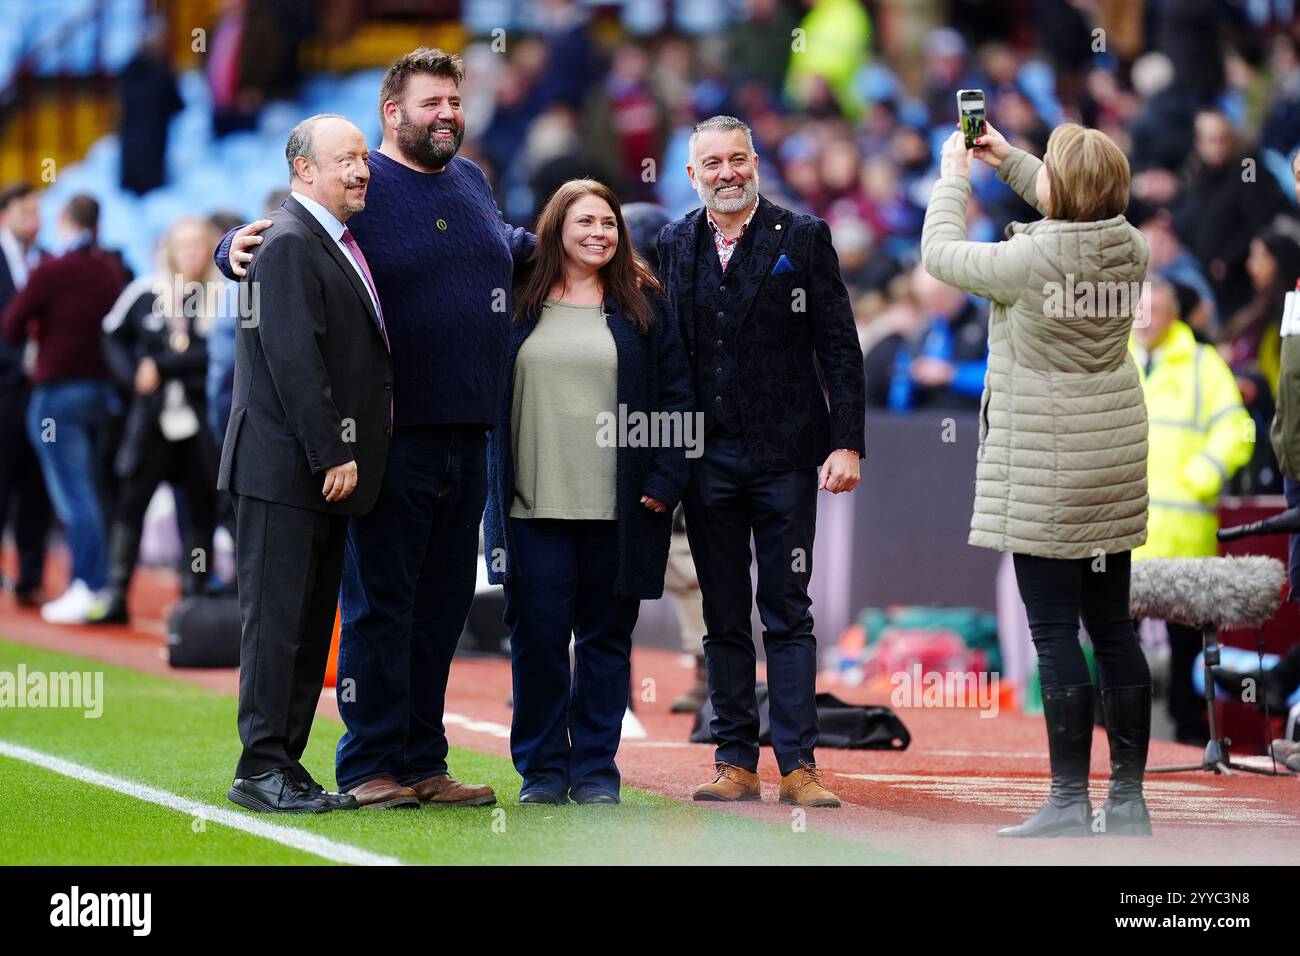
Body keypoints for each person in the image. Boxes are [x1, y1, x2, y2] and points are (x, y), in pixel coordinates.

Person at [216, 49, 532, 809]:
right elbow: (285, 243)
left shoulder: (472, 181)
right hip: (391, 437)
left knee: (443, 608)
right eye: (432, 102)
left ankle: (425, 758)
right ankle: (369, 764)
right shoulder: (357, 185)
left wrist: (601, 243)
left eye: (454, 100)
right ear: (393, 112)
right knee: (380, 605)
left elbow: (513, 251)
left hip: (469, 430)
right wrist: (232, 249)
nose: (448, 113)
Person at [921, 120, 1154, 837]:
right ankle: (1126, 802)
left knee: (1054, 633)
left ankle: (1064, 800)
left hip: (1047, 462)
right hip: (1110, 456)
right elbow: (1075, 205)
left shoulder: (1027, 263)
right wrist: (1011, 158)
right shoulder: (1132, 246)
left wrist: (956, 172)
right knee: (1113, 630)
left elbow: (938, 254)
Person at [657, 115, 866, 808]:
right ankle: (735, 762)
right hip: (705, 458)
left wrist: (847, 441)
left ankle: (799, 765)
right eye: (711, 163)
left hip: (785, 457)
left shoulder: (802, 237)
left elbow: (839, 343)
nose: (726, 172)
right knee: (722, 614)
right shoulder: (674, 241)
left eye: (737, 159)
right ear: (692, 175)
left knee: (786, 608)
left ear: (756, 162)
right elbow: (664, 356)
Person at [484, 179, 692, 804]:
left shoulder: (644, 304)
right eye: (585, 223)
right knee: (540, 641)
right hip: (532, 508)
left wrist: (664, 480)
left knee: (605, 643)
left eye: (609, 223)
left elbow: (680, 399)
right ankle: (543, 772)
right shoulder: (518, 301)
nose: (599, 233)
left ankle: (596, 771)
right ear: (555, 229)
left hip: (620, 511)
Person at [221, 115, 391, 813]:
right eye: (345, 159)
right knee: (278, 624)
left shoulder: (323, 238)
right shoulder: (290, 242)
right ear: (304, 170)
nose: (360, 170)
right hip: (288, 468)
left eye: (363, 158)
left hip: (308, 470)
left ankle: (283, 766)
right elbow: (294, 359)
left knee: (307, 624)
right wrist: (334, 451)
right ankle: (261, 768)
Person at [1131, 277, 1251, 745]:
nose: (1144, 319)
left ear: (1173, 315)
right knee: (1118, 643)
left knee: (1186, 651)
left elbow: (1238, 429)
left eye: (1154, 310)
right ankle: (1122, 736)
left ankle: (1185, 736)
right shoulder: (1114, 355)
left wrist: (1202, 476)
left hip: (1183, 533)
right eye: (1138, 310)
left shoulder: (1203, 364)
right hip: (1127, 534)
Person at [1, 195, 124, 624]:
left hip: (56, 395)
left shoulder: (51, 271)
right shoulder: (108, 269)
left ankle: (88, 584)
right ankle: (98, 582)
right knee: (91, 488)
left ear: (63, 220)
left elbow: (12, 325)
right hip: (102, 394)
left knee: (74, 495)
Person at [96, 216, 225, 624]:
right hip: (152, 423)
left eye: (197, 244)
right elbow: (111, 336)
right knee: (131, 502)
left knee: (200, 509)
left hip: (200, 422)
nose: (189, 252)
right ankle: (116, 594)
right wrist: (134, 374)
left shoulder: (224, 296)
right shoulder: (145, 292)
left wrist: (161, 365)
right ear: (169, 249)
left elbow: (217, 354)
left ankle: (195, 595)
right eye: (181, 244)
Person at [0, 182, 51, 607]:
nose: (33, 220)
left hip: (40, 391)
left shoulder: (47, 262)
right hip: (4, 391)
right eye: (25, 211)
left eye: (37, 212)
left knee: (35, 484)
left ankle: (29, 576)